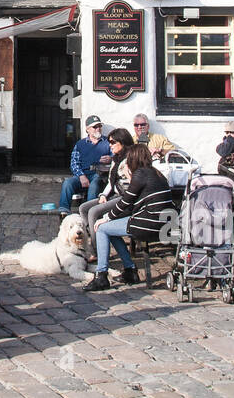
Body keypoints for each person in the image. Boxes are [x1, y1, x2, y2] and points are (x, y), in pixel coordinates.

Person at [82, 143, 172, 291]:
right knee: (111, 229)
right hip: (164, 224)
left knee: (102, 228)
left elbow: (126, 201)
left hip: (149, 223)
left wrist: (106, 218)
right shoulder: (156, 173)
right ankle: (130, 270)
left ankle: (102, 276)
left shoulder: (140, 174)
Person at [80, 127, 134, 258]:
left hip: (126, 199)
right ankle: (97, 240)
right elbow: (111, 182)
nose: (110, 145)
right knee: (84, 208)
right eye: (109, 142)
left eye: (113, 142)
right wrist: (103, 195)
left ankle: (97, 251)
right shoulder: (116, 159)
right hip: (114, 195)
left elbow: (135, 186)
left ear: (123, 142)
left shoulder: (131, 159)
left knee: (94, 212)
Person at [59, 115, 111, 215]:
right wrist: (81, 176)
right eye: (95, 127)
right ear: (87, 129)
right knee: (68, 183)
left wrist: (111, 158)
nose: (98, 129)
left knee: (94, 185)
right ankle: (64, 212)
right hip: (83, 174)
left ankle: (88, 213)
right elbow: (74, 163)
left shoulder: (108, 142)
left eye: (99, 126)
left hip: (99, 175)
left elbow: (117, 159)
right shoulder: (80, 144)